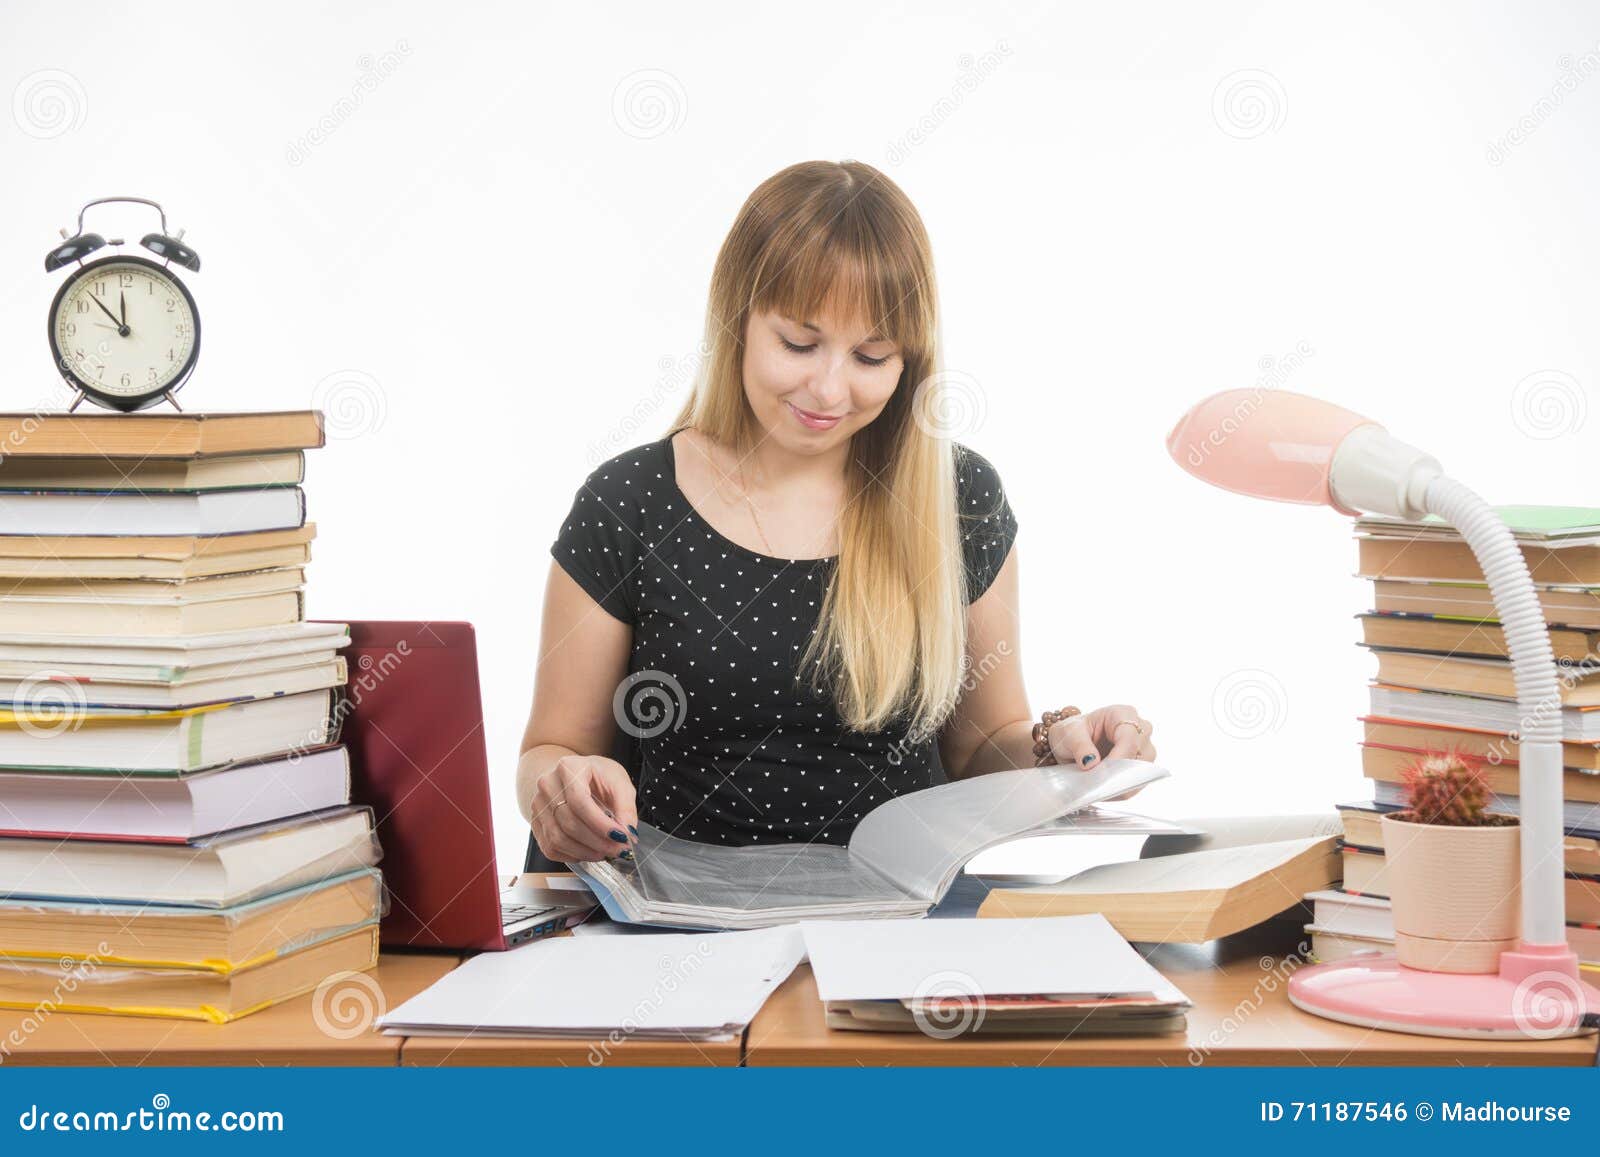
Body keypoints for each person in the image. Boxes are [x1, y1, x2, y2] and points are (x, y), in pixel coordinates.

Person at [517, 159, 1156, 865]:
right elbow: (553, 748)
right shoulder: (630, 500)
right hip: (669, 931)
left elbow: (980, 745)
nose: (828, 389)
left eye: (871, 356)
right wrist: (563, 786)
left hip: (896, 925)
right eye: (798, 343)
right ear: (738, 320)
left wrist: (1062, 752)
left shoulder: (959, 500)